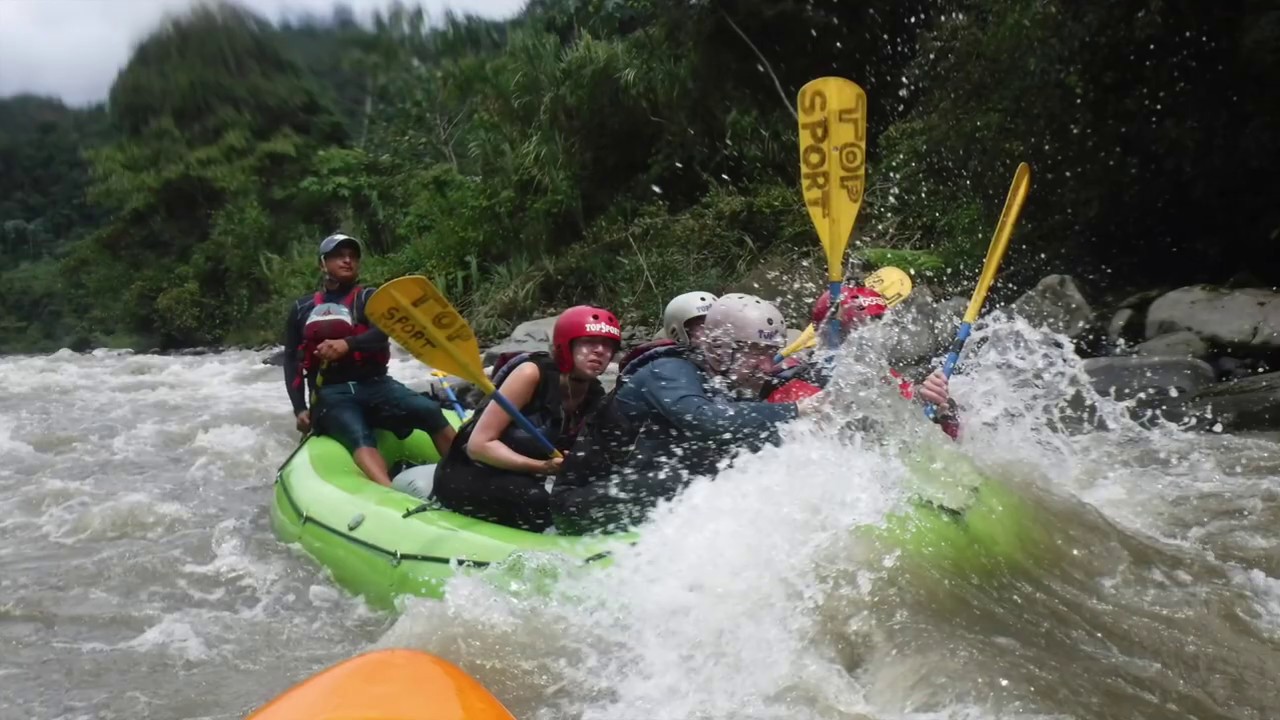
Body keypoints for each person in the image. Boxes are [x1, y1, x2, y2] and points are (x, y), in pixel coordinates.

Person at [551, 293, 818, 534]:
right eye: (757, 352)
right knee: (694, 481)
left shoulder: (727, 382)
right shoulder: (666, 370)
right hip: (579, 503)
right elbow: (704, 420)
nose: (767, 365)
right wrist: (795, 410)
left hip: (644, 488)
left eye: (771, 353)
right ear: (719, 349)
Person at [283, 232, 457, 488]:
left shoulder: (369, 299)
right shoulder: (302, 308)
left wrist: (348, 344)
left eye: (352, 256)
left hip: (375, 383)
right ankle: (390, 496)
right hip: (332, 391)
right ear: (322, 264)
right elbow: (291, 360)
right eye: (339, 256)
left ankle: (464, 476)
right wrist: (299, 408)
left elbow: (383, 332)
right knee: (358, 434)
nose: (347, 261)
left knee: (429, 410)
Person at [431, 305, 622, 531]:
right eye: (589, 342)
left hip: (523, 477)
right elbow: (479, 446)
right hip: (470, 472)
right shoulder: (531, 374)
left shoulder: (594, 395)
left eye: (608, 345)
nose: (600, 351)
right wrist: (542, 467)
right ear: (566, 345)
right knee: (537, 502)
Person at [765, 284, 961, 439]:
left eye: (880, 326)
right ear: (836, 334)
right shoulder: (794, 391)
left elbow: (943, 444)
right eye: (863, 330)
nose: (876, 339)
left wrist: (942, 411)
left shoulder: (888, 379)